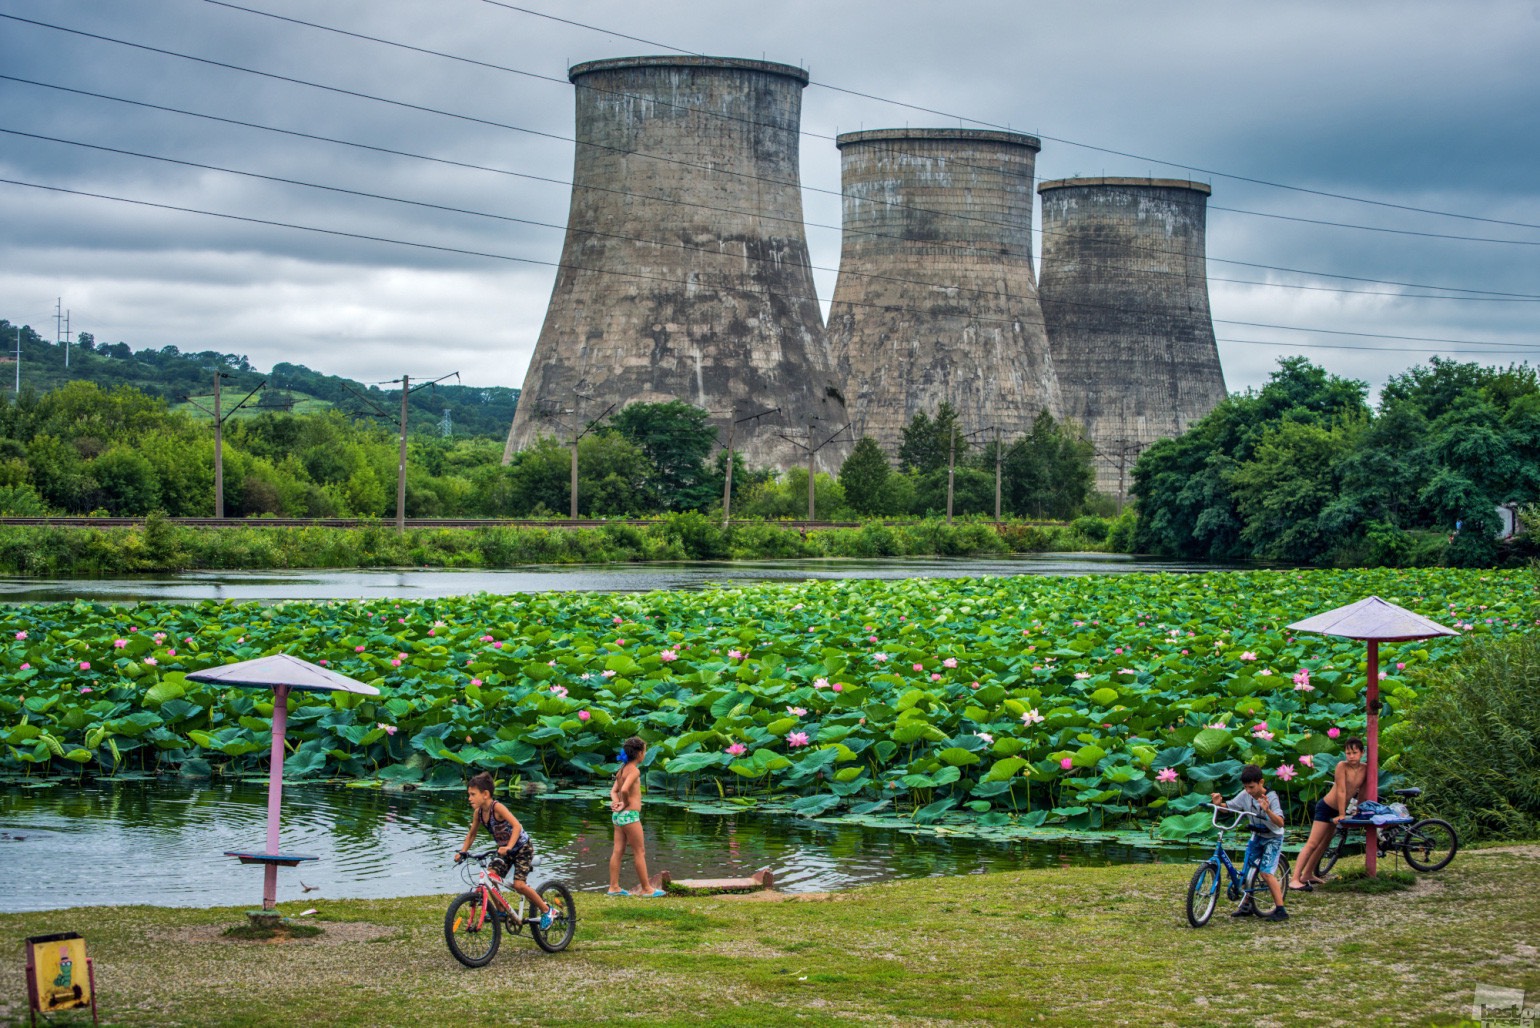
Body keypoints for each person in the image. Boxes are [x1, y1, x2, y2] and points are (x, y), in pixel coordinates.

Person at [455, 771, 553, 929]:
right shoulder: (479, 813)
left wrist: (508, 847)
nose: (469, 798)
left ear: (485, 794)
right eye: (469, 794)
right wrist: (462, 852)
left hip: (522, 848)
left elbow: (516, 826)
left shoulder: (497, 808)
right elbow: (472, 834)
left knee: (519, 885)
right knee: (489, 876)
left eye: (473, 794)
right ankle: (500, 910)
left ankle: (547, 910)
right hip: (504, 851)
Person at [1212, 765, 1289, 922]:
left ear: (1261, 782)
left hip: (1273, 836)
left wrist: (1267, 810)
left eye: (1252, 787)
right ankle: (1246, 905)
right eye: (1246, 787)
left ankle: (1280, 909)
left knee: (1266, 872)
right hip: (1257, 834)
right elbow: (1230, 808)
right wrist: (1219, 804)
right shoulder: (1245, 795)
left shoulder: (1271, 797)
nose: (1248, 791)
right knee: (1247, 871)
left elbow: (1280, 823)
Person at [1289, 738, 1368, 891]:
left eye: (1354, 753)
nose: (1351, 756)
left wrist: (1359, 810)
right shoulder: (1341, 766)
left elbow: (1363, 792)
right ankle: (1294, 879)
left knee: (1324, 843)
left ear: (1362, 753)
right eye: (1348, 753)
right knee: (1312, 843)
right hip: (1326, 807)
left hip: (1339, 810)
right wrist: (1341, 813)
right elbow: (1341, 790)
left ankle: (1307, 874)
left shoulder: (1365, 769)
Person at [608, 736, 665, 897]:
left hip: (618, 817)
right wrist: (624, 804)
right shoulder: (634, 770)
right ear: (639, 753)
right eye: (645, 751)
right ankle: (647, 889)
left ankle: (614, 887)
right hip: (630, 816)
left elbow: (614, 791)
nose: (645, 754)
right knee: (639, 851)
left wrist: (616, 803)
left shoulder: (621, 770)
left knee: (618, 850)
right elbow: (625, 790)